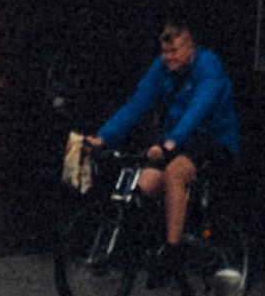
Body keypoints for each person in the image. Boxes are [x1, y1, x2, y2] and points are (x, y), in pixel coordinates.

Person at [77, 18, 239, 267]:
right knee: (144, 185)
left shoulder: (208, 66)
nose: (169, 57)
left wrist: (170, 143)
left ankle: (173, 253)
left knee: (175, 172)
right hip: (176, 139)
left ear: (190, 47)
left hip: (212, 139)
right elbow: (137, 103)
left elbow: (198, 109)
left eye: (174, 51)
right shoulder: (162, 67)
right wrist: (103, 137)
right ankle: (152, 243)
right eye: (165, 51)